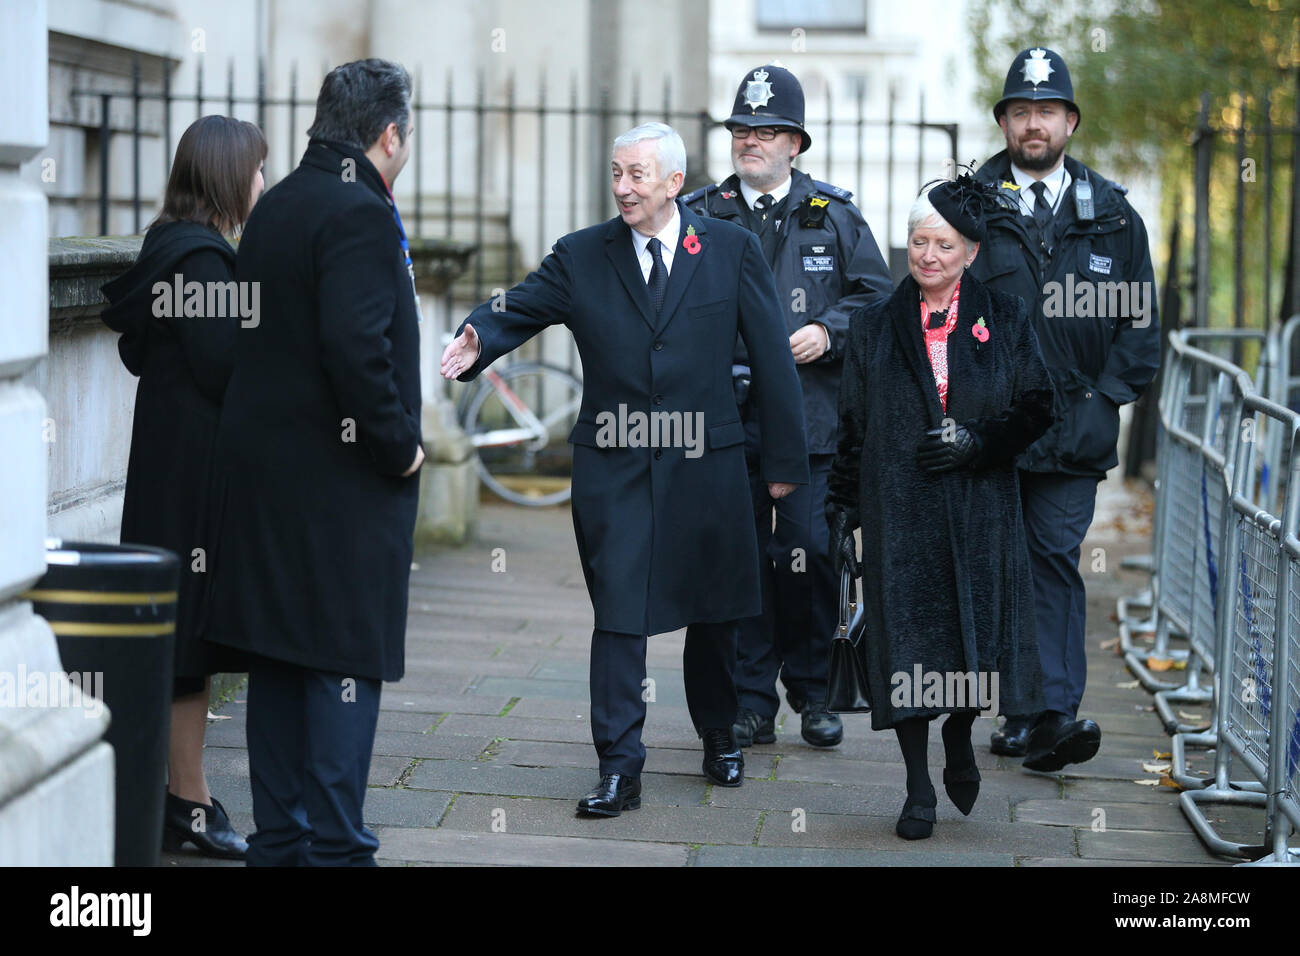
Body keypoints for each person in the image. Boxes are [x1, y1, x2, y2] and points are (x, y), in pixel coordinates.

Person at [441, 122, 809, 816]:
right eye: (616, 174)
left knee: (716, 609)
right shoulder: (583, 255)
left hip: (708, 461)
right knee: (618, 612)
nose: (623, 188)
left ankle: (719, 736)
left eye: (638, 175)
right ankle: (619, 765)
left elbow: (770, 356)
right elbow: (517, 305)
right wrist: (478, 335)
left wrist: (784, 461)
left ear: (674, 182)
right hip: (615, 464)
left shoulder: (730, 249)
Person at [206, 59, 424, 866]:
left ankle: (283, 838)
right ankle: (336, 846)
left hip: (265, 478)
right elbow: (355, 350)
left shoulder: (280, 203)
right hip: (343, 484)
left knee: (278, 656)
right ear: (389, 133)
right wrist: (399, 446)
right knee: (340, 657)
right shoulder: (359, 212)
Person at [826, 175, 1054, 839]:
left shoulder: (1006, 318)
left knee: (964, 647)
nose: (928, 255)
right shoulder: (872, 326)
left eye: (944, 245)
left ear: (971, 253)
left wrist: (981, 443)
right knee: (906, 651)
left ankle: (959, 738)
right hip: (899, 512)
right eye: (919, 241)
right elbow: (853, 426)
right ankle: (917, 785)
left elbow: (1039, 405)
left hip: (980, 510)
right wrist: (843, 509)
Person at [683, 65, 892, 750]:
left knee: (806, 550)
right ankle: (750, 699)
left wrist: (828, 329)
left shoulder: (833, 216)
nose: (751, 140)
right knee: (741, 557)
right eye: (743, 128)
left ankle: (811, 689)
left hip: (809, 416)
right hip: (725, 416)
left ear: (795, 143)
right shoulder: (702, 214)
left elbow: (877, 300)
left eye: (767, 131)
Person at [970, 47, 1161, 770]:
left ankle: (1054, 712)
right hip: (991, 430)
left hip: (1073, 433)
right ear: (1005, 123)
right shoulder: (969, 207)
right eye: (1020, 111)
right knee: (1000, 563)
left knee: (1051, 557)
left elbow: (1140, 324)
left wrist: (1105, 397)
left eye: (1046, 111)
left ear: (1070, 122)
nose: (1033, 124)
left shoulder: (1112, 215)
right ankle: (1016, 711)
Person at [100, 114, 266, 860]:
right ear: (230, 175)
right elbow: (228, 370)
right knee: (186, 646)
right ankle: (188, 804)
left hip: (169, 474)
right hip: (191, 483)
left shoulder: (170, 248)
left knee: (179, 644)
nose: (263, 183)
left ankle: (178, 798)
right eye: (257, 170)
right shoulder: (202, 263)